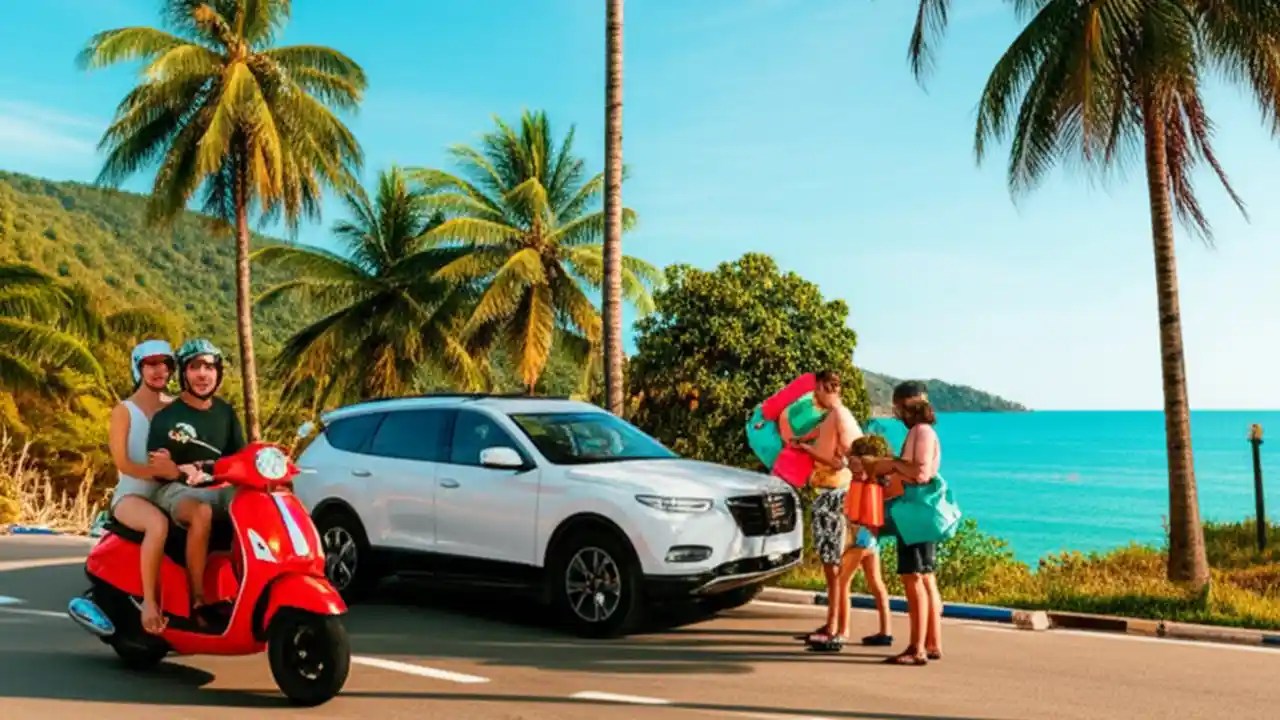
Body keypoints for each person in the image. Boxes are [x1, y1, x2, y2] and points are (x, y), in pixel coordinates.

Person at [147, 338, 245, 622]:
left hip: (218, 486)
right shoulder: (167, 416)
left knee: (254, 502)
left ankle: (248, 588)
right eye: (195, 367)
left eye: (209, 367)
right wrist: (181, 472)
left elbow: (239, 458)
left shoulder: (226, 413)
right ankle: (198, 601)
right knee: (201, 512)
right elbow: (159, 466)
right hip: (175, 490)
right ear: (184, 373)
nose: (203, 374)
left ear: (218, 373)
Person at [860, 381, 943, 666]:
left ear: (907, 406)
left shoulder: (920, 432)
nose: (897, 414)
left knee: (913, 578)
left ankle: (916, 648)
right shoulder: (924, 431)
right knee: (925, 576)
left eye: (899, 408)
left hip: (914, 516)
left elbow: (919, 474)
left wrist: (890, 464)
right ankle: (931, 642)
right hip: (921, 516)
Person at [106, 339, 180, 635]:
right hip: (132, 496)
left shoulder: (176, 408)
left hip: (169, 493)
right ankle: (150, 603)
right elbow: (123, 463)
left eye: (165, 364)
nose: (159, 370)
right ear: (138, 369)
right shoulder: (124, 411)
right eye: (151, 364)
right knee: (157, 524)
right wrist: (159, 474)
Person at [791, 370, 862, 651]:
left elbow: (838, 460)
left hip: (833, 495)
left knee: (833, 566)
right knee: (832, 565)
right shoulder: (836, 415)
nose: (813, 396)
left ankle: (836, 629)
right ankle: (833, 624)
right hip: (835, 494)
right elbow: (827, 438)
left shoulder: (838, 415)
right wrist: (803, 440)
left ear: (822, 387)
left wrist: (806, 449)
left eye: (815, 391)